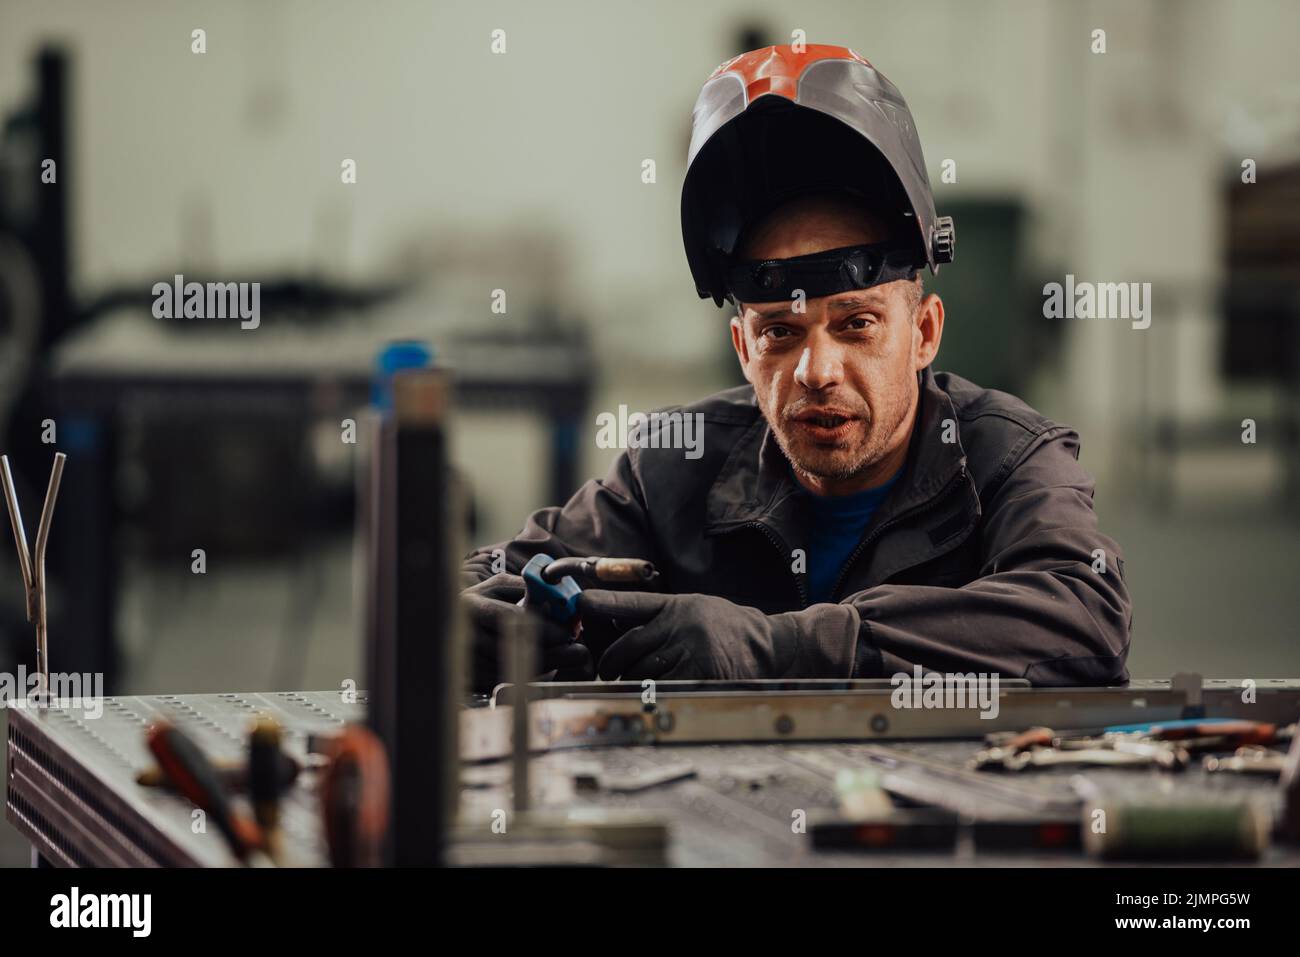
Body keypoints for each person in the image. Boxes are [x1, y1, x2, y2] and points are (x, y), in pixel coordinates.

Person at [461, 44, 1131, 690]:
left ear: (924, 333)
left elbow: (1084, 617)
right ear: (743, 350)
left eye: (856, 324)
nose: (816, 370)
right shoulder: (671, 468)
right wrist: (465, 627)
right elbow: (485, 578)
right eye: (780, 330)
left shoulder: (1005, 459)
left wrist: (781, 647)